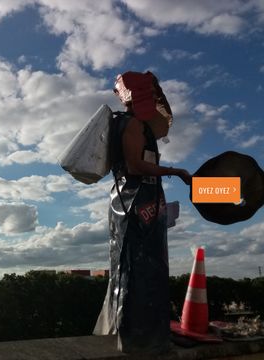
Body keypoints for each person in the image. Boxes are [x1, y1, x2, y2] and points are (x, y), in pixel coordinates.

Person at [93, 71, 191, 354]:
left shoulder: (126, 124)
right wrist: (175, 171)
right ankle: (142, 338)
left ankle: (145, 334)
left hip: (133, 201)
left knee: (140, 268)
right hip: (135, 200)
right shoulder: (133, 124)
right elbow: (136, 166)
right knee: (141, 270)